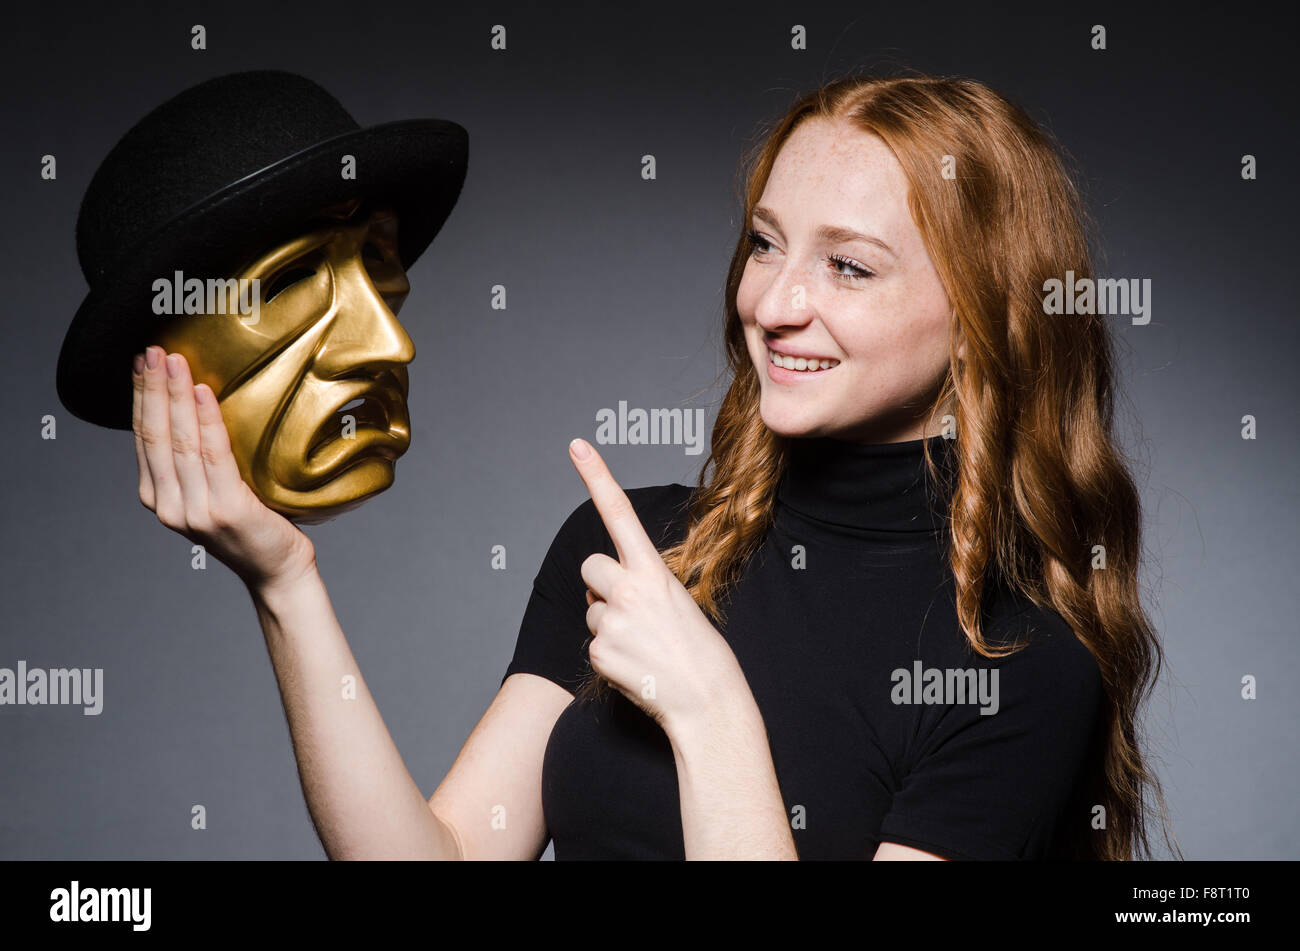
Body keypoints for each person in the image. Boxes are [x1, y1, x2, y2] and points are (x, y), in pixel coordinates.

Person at [131, 74, 1175, 860]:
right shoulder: (630, 547)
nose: (771, 305)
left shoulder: (1018, 665)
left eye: (847, 266)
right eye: (766, 244)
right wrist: (283, 583)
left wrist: (708, 709)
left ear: (982, 315)